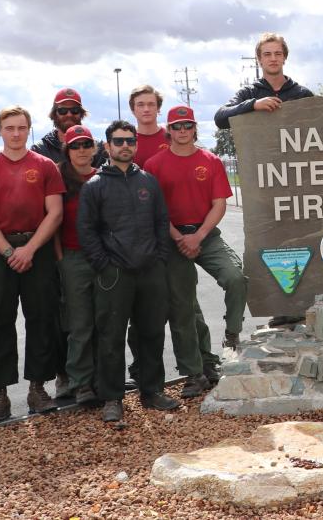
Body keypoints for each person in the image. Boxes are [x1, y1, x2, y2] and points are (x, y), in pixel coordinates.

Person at [77, 121, 180, 421]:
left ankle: (152, 391)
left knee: (151, 333)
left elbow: (162, 222)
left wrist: (159, 259)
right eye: (118, 141)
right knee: (110, 337)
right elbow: (87, 231)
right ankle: (112, 398)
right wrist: (104, 266)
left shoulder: (148, 181)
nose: (125, 146)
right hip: (114, 274)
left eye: (130, 141)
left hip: (150, 271)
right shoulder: (94, 186)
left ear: (135, 145)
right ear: (106, 146)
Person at [0, 105, 66, 420]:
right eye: (9, 128)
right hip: (1, 254)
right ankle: (0, 394)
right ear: (0, 130)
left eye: (21, 127)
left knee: (41, 319)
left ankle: (38, 388)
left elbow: (55, 212)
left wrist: (30, 249)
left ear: (28, 129)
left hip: (38, 250)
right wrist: (11, 253)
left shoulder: (46, 166)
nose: (15, 133)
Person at [145, 105, 245, 394]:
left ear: (194, 128)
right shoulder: (154, 164)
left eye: (187, 125)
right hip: (172, 238)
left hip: (205, 233)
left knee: (235, 277)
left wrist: (198, 236)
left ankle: (232, 333)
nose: (183, 131)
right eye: (177, 126)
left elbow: (219, 203)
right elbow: (155, 211)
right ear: (169, 130)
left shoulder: (210, 160)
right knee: (182, 306)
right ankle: (193, 372)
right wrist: (179, 238)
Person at [55, 125, 100, 406]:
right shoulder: (59, 179)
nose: (81, 150)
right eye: (75, 145)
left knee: (105, 320)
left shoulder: (103, 177)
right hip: (72, 256)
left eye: (86, 144)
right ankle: (81, 382)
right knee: (79, 322)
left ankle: (103, 377)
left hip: (102, 258)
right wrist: (60, 259)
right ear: (67, 150)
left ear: (94, 149)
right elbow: (53, 220)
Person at [215, 33, 315, 130]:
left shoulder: (302, 94)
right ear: (259, 59)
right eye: (267, 54)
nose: (273, 58)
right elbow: (220, 118)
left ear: (284, 57)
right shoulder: (248, 93)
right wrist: (253, 105)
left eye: (278, 53)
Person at [32, 88, 106, 167]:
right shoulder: (40, 150)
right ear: (54, 114)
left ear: (81, 113)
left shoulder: (99, 149)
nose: (69, 114)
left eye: (75, 110)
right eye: (63, 110)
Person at [129, 85, 171, 168]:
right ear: (133, 110)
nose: (146, 109)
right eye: (140, 105)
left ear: (158, 108)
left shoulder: (172, 137)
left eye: (151, 104)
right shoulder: (125, 141)